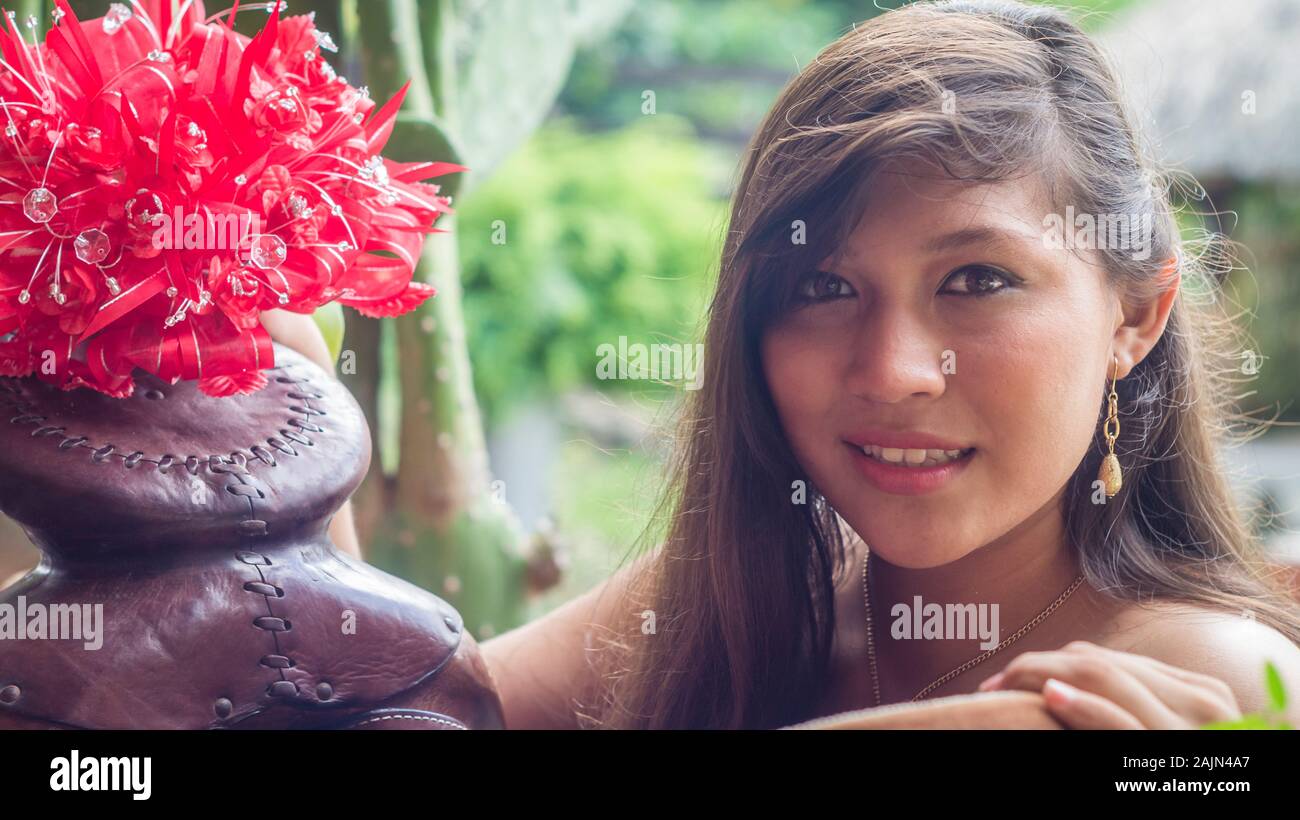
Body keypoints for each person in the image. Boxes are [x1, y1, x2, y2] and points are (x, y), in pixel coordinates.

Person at [266, 0, 1300, 730]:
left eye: (977, 280)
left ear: (1137, 311)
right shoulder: (743, 593)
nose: (893, 370)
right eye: (822, 288)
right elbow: (407, 720)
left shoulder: (1203, 678)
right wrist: (291, 401)